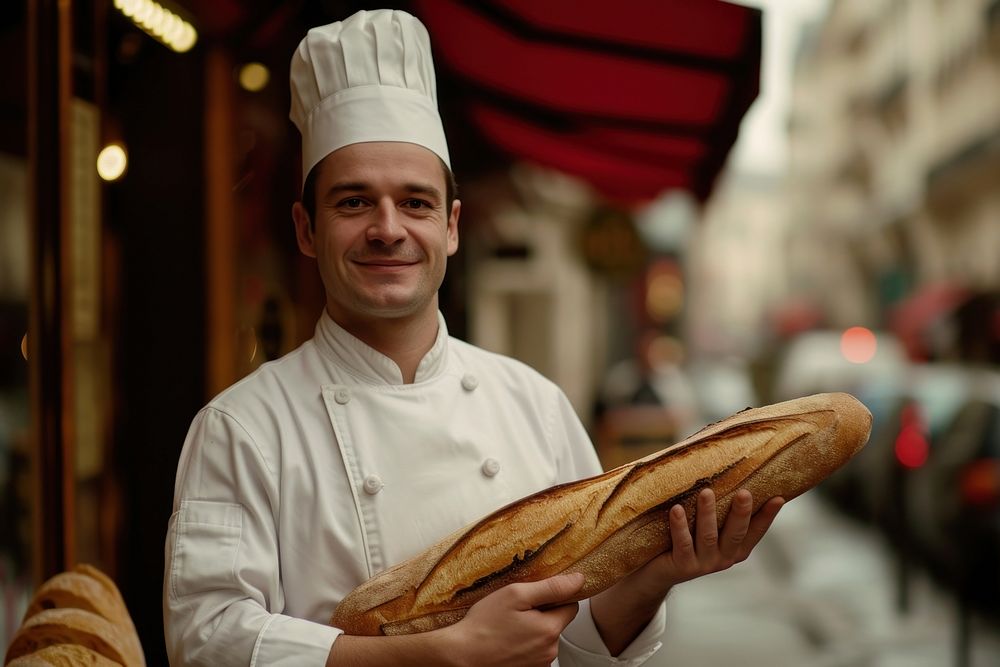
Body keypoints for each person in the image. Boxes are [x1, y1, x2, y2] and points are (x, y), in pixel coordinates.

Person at [163, 9, 784, 667]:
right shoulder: (242, 427)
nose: (387, 228)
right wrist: (442, 653)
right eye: (353, 202)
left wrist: (656, 575)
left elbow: (575, 639)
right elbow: (207, 638)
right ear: (306, 230)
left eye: (415, 202)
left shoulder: (535, 406)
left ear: (452, 226)